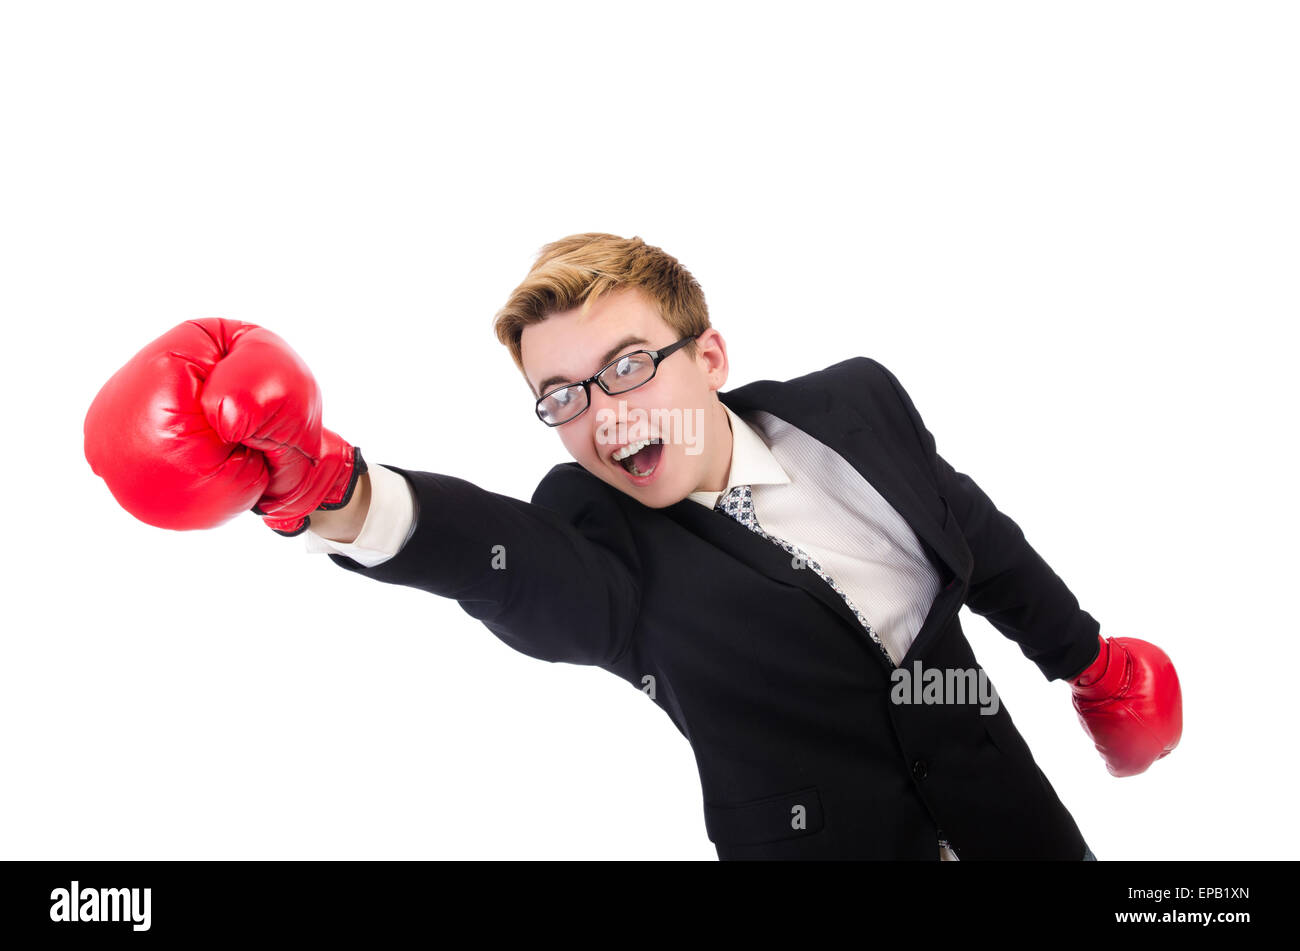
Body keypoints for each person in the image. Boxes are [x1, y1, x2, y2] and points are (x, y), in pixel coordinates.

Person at [84, 233, 1182, 860]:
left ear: (706, 352)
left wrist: (1086, 660)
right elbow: (489, 557)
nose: (600, 415)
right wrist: (324, 484)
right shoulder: (597, 540)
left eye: (623, 368)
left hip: (1021, 834)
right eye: (559, 394)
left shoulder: (855, 406)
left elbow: (972, 534)